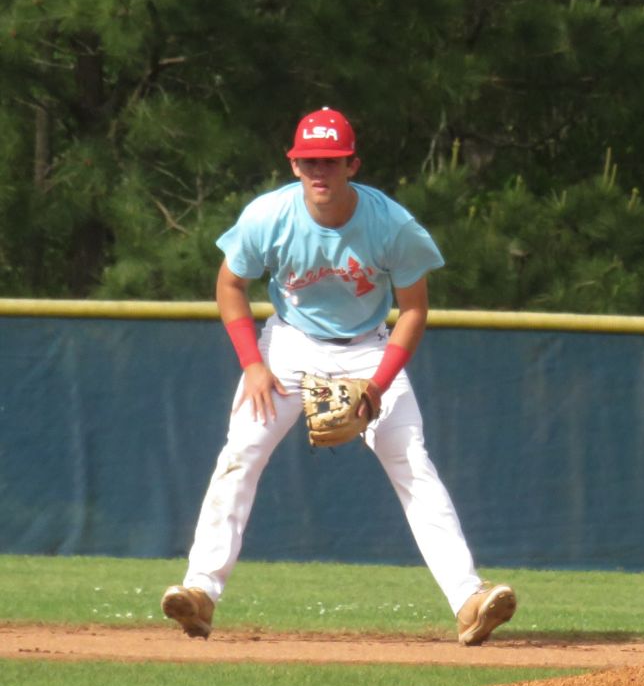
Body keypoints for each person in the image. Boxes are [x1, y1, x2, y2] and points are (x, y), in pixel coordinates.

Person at [160, 107, 517, 646]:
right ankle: (200, 592)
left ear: (352, 164)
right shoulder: (269, 216)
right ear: (294, 164)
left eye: (330, 160)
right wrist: (253, 364)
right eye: (309, 161)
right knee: (241, 454)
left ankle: (469, 599)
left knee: (411, 462)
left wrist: (378, 385)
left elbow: (414, 310)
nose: (319, 171)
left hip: (368, 350)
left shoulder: (391, 224)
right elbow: (230, 284)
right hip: (287, 345)